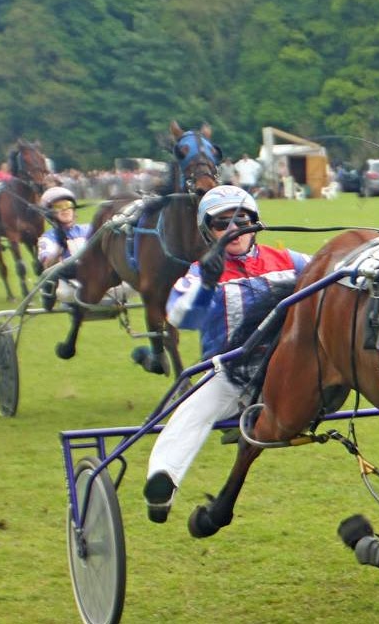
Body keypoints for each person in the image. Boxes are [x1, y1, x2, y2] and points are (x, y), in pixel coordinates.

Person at [144, 185, 310, 523]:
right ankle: (163, 480)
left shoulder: (289, 260)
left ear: (255, 223)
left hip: (289, 371)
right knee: (192, 409)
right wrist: (206, 283)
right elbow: (180, 317)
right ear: (209, 232)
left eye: (242, 220)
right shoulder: (197, 273)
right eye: (222, 224)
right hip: (231, 374)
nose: (233, 230)